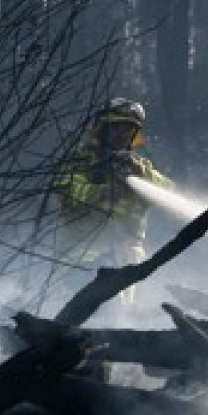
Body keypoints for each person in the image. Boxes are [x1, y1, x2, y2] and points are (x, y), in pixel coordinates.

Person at [55, 97, 172, 301]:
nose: (122, 134)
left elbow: (170, 196)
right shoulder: (83, 160)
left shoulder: (139, 167)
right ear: (102, 129)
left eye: (128, 129)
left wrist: (141, 172)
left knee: (121, 314)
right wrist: (101, 193)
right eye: (116, 127)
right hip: (80, 260)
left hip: (126, 261)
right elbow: (65, 186)